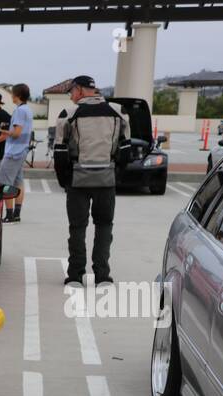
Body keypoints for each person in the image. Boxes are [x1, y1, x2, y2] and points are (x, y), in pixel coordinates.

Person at [54, 74, 129, 285]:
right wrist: (116, 176)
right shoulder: (118, 112)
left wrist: (65, 181)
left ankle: (75, 275)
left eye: (71, 92)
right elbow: (126, 149)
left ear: (78, 89)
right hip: (107, 179)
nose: (71, 96)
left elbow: (59, 151)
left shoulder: (69, 113)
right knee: (104, 226)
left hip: (78, 179)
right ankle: (102, 275)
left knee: (77, 228)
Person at [0, 82, 33, 222]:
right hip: (22, 151)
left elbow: (16, 133)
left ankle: (8, 214)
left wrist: (4, 131)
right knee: (18, 182)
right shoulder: (27, 109)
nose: (11, 96)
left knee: (5, 183)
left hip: (13, 151)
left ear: (18, 95)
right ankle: (16, 213)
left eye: (13, 93)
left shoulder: (20, 111)